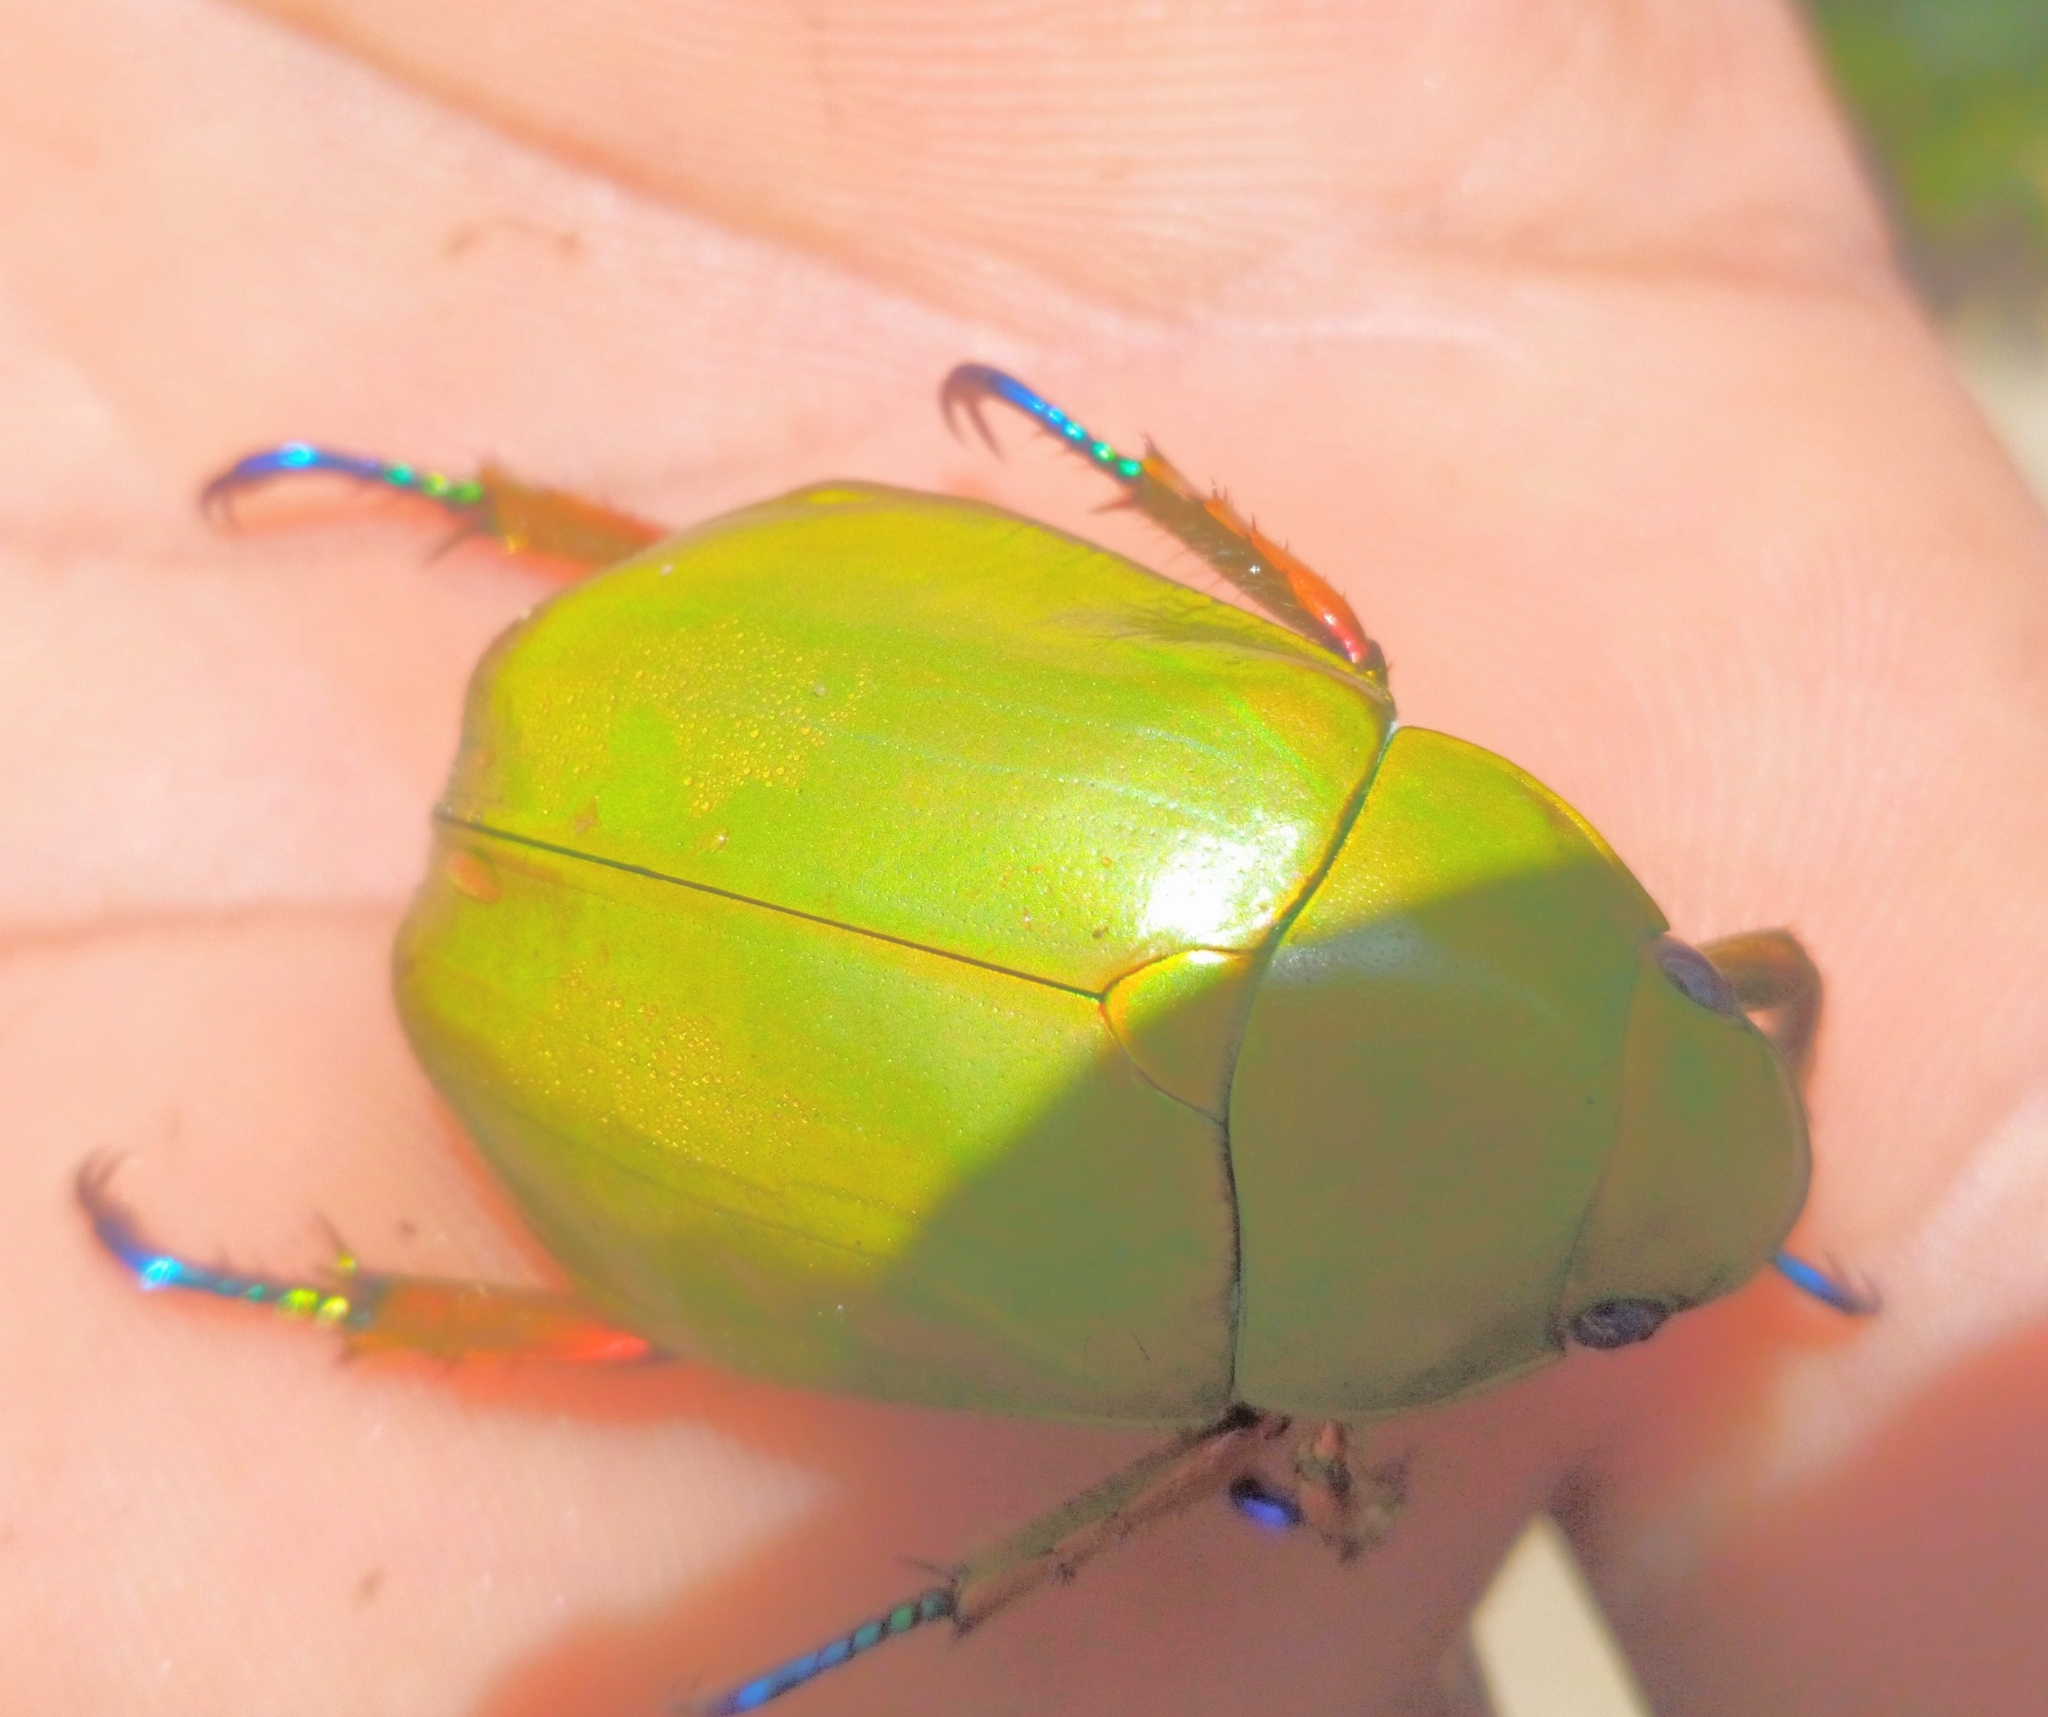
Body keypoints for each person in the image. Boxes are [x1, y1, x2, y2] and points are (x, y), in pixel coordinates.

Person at [5, 3, 2044, 1713]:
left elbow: (869, 605)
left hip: (651, 752)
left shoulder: (1307, 722)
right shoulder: (1212, 1357)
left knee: (806, 631)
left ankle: (488, 551)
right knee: (666, 1316)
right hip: (623, 1009)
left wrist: (1129, 479)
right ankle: (333, 1297)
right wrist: (979, 1582)